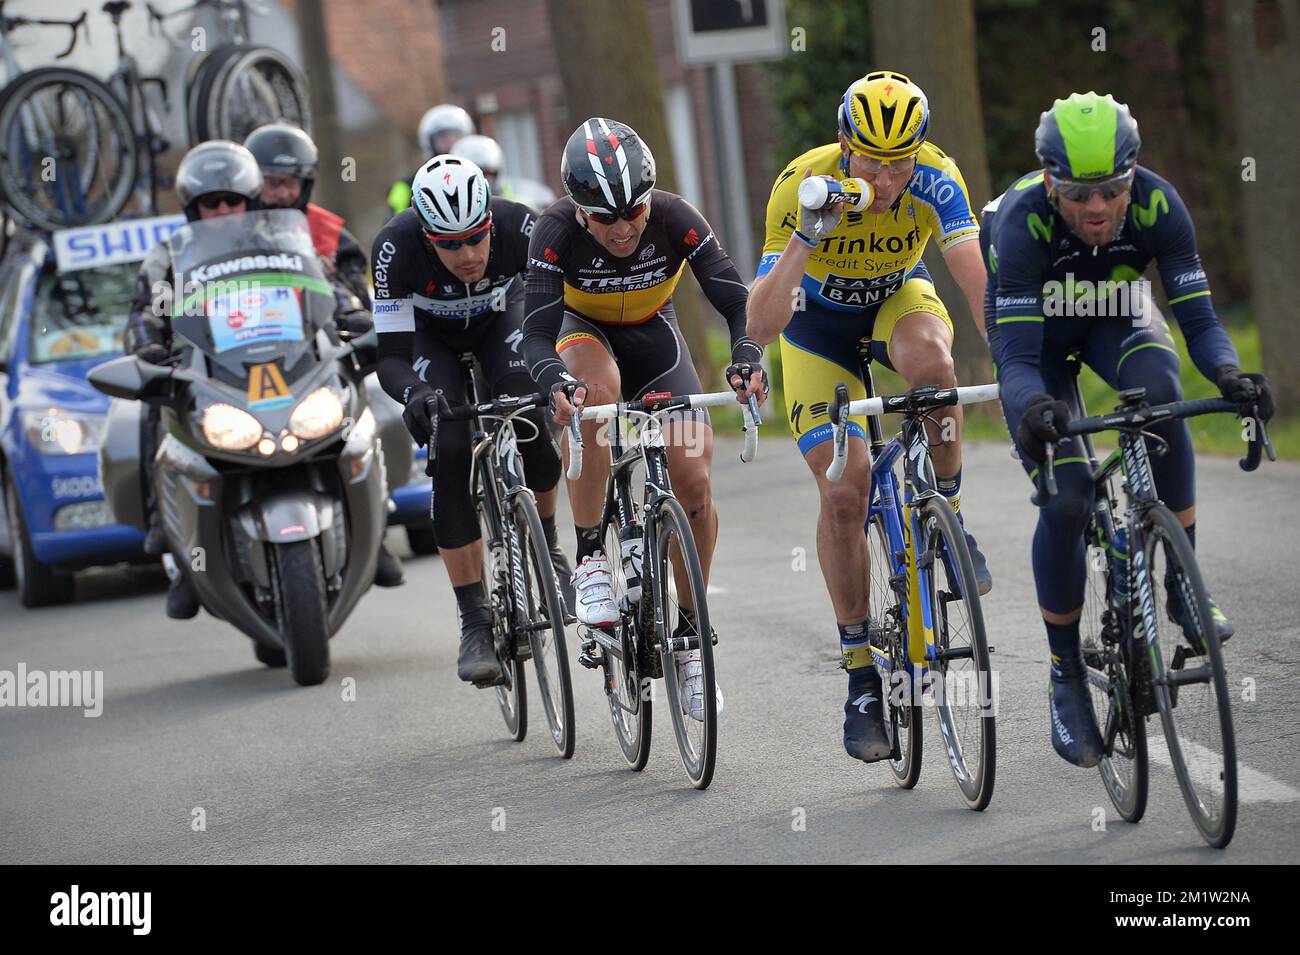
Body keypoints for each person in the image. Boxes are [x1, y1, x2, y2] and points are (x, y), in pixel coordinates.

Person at [982, 91, 1275, 767]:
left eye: (1113, 189)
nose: (1098, 208)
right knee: (1068, 497)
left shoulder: (1159, 206)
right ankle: (1064, 672)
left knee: (1166, 397)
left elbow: (1199, 323)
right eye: (1081, 193)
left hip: (1116, 313)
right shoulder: (1020, 224)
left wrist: (1232, 376)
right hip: (1040, 342)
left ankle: (1180, 581)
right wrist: (1032, 410)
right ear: (1051, 181)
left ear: (1133, 177)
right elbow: (1018, 360)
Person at [746, 71, 992, 763]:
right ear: (843, 145)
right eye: (870, 161)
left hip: (895, 300)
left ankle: (952, 509)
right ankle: (859, 674)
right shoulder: (803, 183)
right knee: (845, 488)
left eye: (899, 161)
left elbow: (979, 284)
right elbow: (762, 324)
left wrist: (1021, 364)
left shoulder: (938, 179)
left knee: (936, 369)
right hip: (814, 330)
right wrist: (805, 239)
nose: (885, 179)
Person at [521, 117, 767, 722]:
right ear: (579, 211)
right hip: (583, 337)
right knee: (596, 392)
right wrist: (553, 381)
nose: (625, 226)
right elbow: (532, 334)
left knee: (695, 483)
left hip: (657, 340)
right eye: (605, 218)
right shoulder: (553, 233)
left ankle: (688, 637)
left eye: (633, 209)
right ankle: (591, 561)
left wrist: (745, 354)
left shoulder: (676, 217)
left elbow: (735, 300)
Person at [373, 154, 571, 685]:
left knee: (527, 411)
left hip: (501, 320)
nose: (467, 254)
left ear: (491, 220)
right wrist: (413, 393)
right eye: (449, 244)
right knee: (453, 448)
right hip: (428, 338)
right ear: (426, 235)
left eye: (476, 238)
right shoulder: (394, 248)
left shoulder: (520, 225)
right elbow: (389, 354)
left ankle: (548, 547)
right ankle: (475, 621)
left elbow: (555, 313)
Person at [244, 122, 405, 589]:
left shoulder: (329, 233)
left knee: (369, 413)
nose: (275, 194)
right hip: (242, 363)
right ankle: (171, 544)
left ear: (304, 184)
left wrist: (357, 320)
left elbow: (358, 295)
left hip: (313, 358)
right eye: (267, 182)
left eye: (286, 182)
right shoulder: (230, 229)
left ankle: (373, 528)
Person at [125, 141, 264, 619]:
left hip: (280, 368)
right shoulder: (170, 257)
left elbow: (325, 290)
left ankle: (377, 515)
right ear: (192, 207)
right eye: (212, 202)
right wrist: (147, 345)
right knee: (154, 400)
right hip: (204, 374)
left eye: (233, 200)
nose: (223, 210)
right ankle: (169, 534)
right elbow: (147, 313)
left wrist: (347, 315)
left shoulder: (277, 244)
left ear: (251, 200)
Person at [386, 104, 475, 220]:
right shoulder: (406, 187)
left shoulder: (481, 178)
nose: (452, 145)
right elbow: (396, 226)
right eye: (444, 139)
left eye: (457, 137)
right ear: (429, 143)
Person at [451, 134, 557, 212]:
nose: (479, 184)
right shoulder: (448, 211)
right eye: (471, 178)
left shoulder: (524, 206)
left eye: (486, 175)